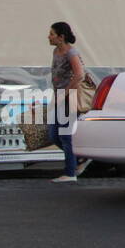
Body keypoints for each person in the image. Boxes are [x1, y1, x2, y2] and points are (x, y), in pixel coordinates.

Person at [47, 22, 89, 183]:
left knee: (65, 135)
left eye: (51, 34)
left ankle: (70, 173)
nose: (48, 37)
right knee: (53, 134)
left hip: (68, 98)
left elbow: (79, 75)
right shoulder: (56, 51)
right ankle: (78, 160)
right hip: (59, 96)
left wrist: (65, 93)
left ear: (61, 36)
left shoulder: (71, 52)